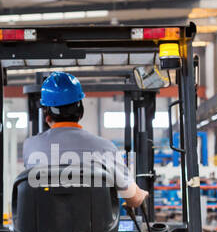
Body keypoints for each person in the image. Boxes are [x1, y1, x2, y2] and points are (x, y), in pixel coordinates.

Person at [21, 71, 148, 208]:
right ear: (80, 111)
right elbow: (133, 199)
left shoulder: (30, 146)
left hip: (42, 228)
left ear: (47, 115)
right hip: (94, 229)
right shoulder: (104, 147)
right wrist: (143, 193)